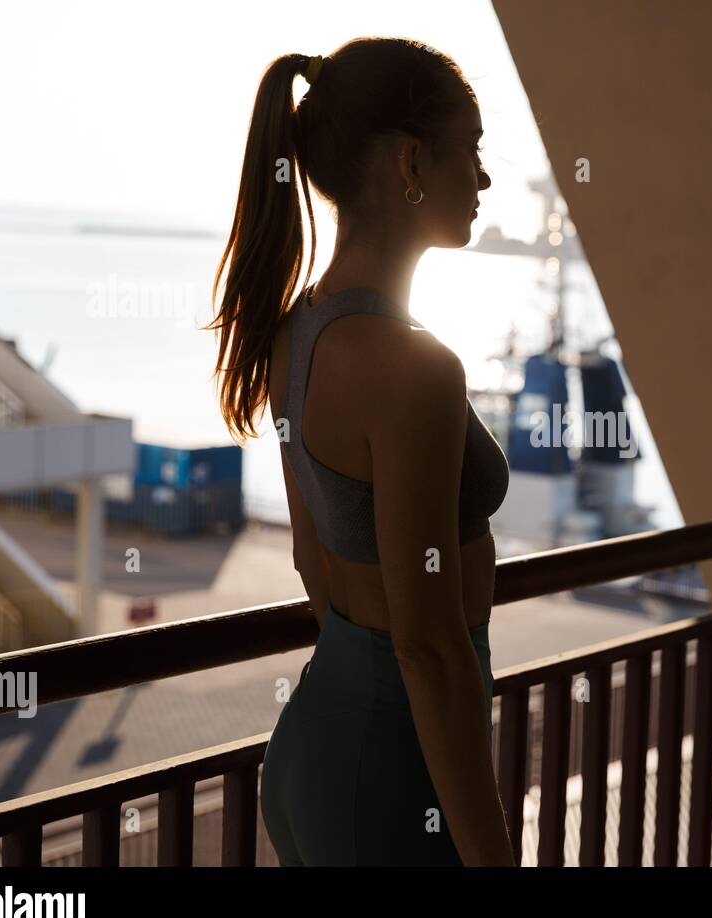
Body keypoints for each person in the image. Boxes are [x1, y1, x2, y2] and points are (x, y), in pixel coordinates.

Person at [206, 37, 514, 866]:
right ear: (411, 161)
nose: (484, 179)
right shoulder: (411, 369)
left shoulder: (298, 330)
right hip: (391, 774)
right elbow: (430, 648)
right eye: (473, 150)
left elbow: (315, 559)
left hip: (318, 746)